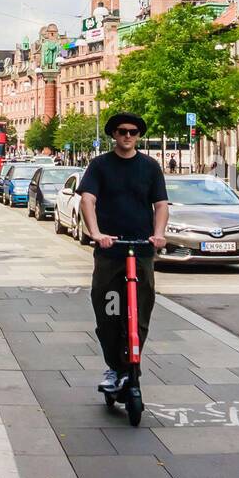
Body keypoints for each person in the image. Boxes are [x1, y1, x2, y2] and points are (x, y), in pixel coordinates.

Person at [78, 111, 168, 396]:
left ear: (138, 135)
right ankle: (114, 367)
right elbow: (88, 200)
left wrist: (159, 234)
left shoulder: (150, 167)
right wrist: (96, 233)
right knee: (108, 311)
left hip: (141, 249)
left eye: (132, 131)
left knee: (140, 312)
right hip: (110, 250)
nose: (127, 136)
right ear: (113, 135)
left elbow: (161, 204)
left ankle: (132, 367)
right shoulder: (100, 165)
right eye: (121, 131)